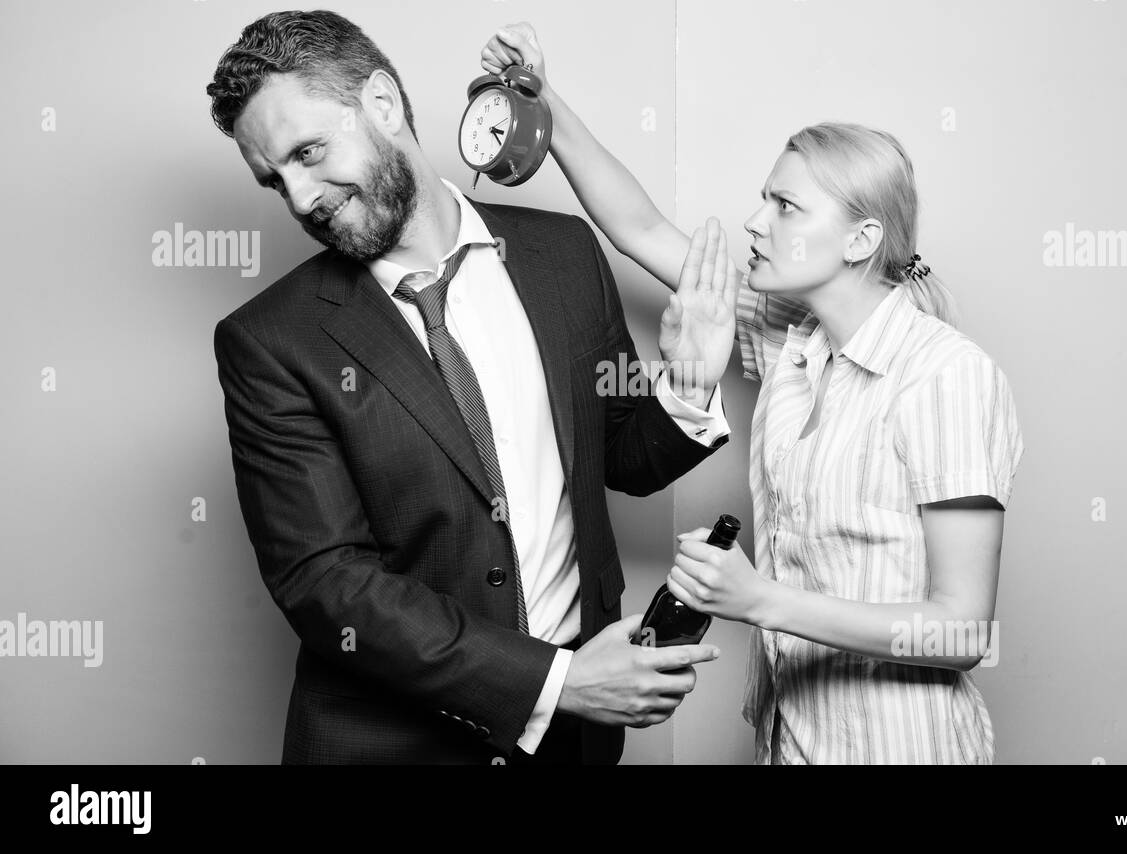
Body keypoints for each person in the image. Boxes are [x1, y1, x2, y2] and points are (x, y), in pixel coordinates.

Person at [482, 22, 1027, 764]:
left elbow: (962, 630)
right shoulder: (791, 343)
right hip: (790, 742)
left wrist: (760, 600)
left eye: (785, 207)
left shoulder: (946, 377)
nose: (752, 222)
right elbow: (639, 228)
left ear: (862, 239)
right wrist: (545, 101)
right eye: (763, 199)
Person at [206, 10, 735, 765]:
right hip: (396, 746)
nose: (299, 198)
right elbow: (327, 583)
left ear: (383, 105)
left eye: (309, 152)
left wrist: (688, 379)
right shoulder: (270, 342)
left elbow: (619, 458)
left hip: (577, 744)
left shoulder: (562, 256)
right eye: (274, 179)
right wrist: (556, 683)